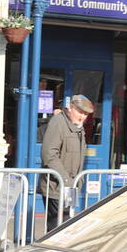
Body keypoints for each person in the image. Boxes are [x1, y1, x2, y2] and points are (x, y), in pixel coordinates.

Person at [40, 94, 94, 230]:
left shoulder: (78, 127)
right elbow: (49, 154)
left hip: (70, 186)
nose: (82, 117)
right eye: (80, 112)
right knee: (58, 227)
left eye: (86, 114)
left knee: (65, 226)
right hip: (57, 186)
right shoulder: (58, 122)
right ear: (70, 108)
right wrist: (66, 179)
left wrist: (77, 182)